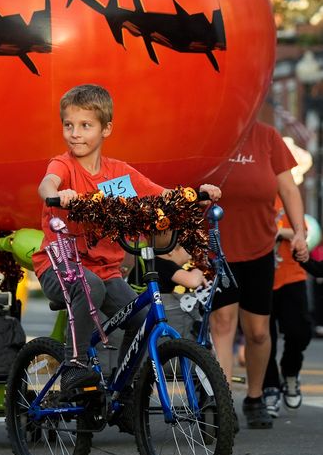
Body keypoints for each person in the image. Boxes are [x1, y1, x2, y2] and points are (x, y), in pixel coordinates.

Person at [33, 83, 221, 397]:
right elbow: (47, 183)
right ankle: (75, 364)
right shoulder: (63, 165)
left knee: (143, 317)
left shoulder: (119, 174)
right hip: (60, 267)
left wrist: (198, 194)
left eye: (85, 125)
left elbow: (163, 195)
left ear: (106, 129)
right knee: (90, 286)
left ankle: (124, 390)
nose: (75, 134)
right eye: (69, 125)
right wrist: (57, 195)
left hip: (106, 271)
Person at [209, 116, 309, 429]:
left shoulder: (267, 137)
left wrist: (299, 233)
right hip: (217, 250)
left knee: (258, 332)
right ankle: (224, 403)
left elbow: (289, 189)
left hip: (259, 250)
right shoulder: (210, 134)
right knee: (223, 324)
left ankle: (255, 397)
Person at [262, 204, 312, 417]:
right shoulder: (254, 196)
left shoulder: (286, 195)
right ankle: (270, 386)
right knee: (263, 337)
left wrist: (279, 232)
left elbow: (303, 231)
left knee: (299, 332)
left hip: (291, 276)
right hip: (260, 279)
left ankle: (290, 372)